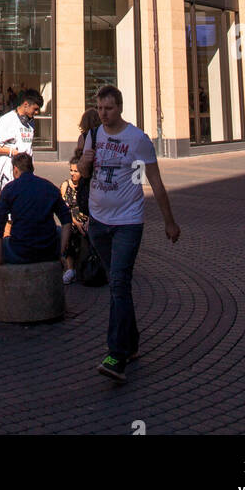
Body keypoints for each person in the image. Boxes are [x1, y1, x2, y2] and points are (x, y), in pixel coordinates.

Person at [79, 84, 181, 382]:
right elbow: (86, 174)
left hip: (127, 223)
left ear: (119, 107)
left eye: (108, 108)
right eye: (99, 108)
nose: (103, 114)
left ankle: (117, 354)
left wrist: (169, 222)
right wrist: (84, 165)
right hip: (99, 222)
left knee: (119, 284)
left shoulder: (137, 140)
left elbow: (156, 183)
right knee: (117, 283)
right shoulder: (93, 135)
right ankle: (132, 342)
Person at [0, 152, 71, 269]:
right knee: (57, 231)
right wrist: (61, 253)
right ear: (32, 168)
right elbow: (67, 221)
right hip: (48, 250)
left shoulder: (9, 189)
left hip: (21, 251)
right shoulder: (49, 186)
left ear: (15, 169)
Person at [0, 88, 41, 200]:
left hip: (26, 172)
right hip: (9, 171)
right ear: (26, 104)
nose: (37, 113)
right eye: (35, 109)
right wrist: (12, 151)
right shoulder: (6, 120)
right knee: (9, 206)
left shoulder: (31, 123)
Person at [60, 159, 89, 283]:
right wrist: (76, 222)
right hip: (71, 220)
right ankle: (70, 269)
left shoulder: (87, 186)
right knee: (69, 231)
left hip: (86, 220)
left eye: (76, 171)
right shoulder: (65, 185)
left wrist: (88, 221)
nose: (72, 173)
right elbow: (63, 209)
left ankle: (89, 266)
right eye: (71, 170)